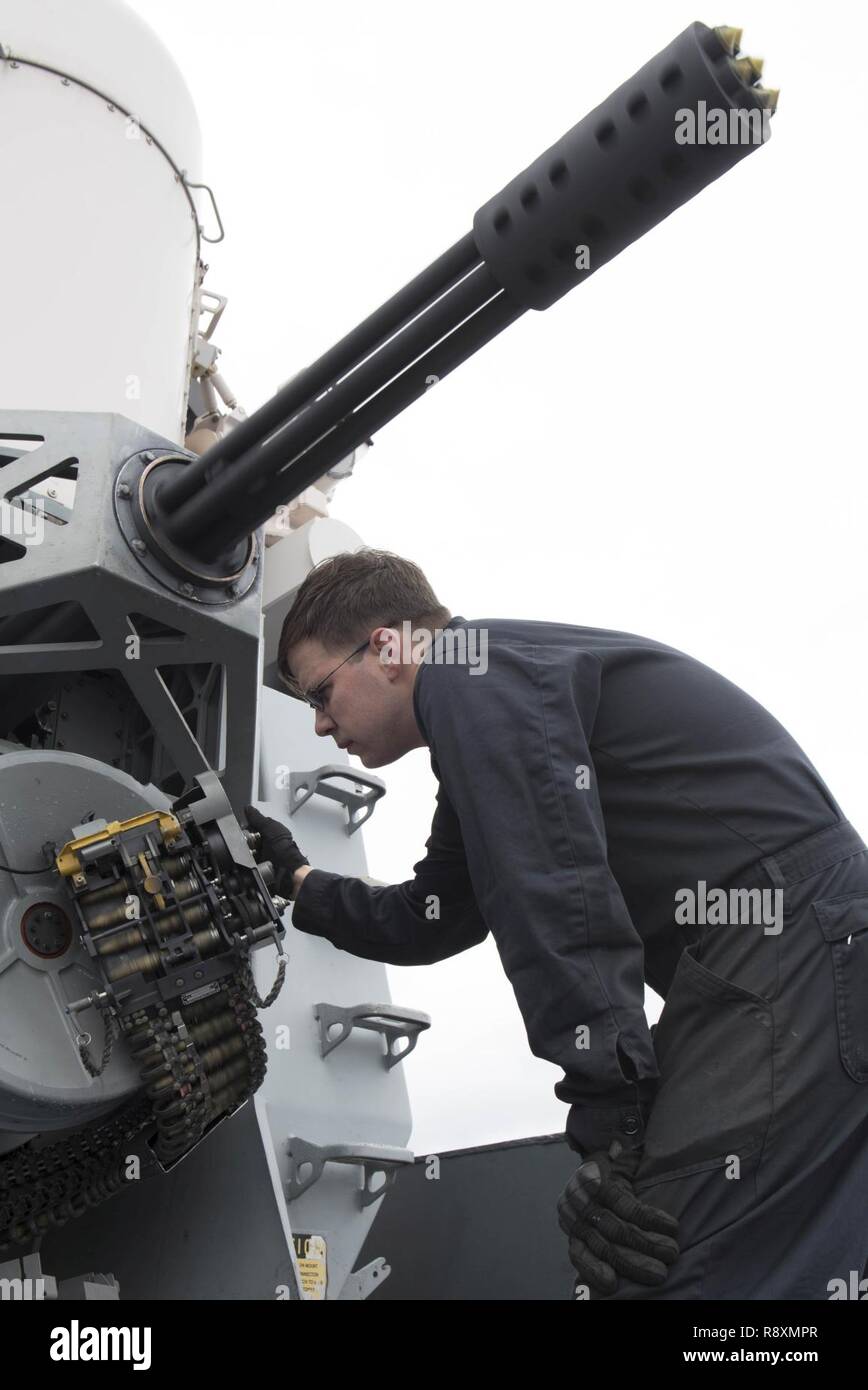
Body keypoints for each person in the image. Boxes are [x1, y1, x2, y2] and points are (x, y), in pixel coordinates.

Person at [245, 547, 868, 1300]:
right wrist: (298, 882)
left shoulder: (470, 680)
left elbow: (549, 888)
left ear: (387, 649)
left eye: (320, 692)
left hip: (792, 942)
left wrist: (611, 1113)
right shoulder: (492, 693)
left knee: (677, 1261)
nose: (317, 725)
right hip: (803, 947)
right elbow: (431, 916)